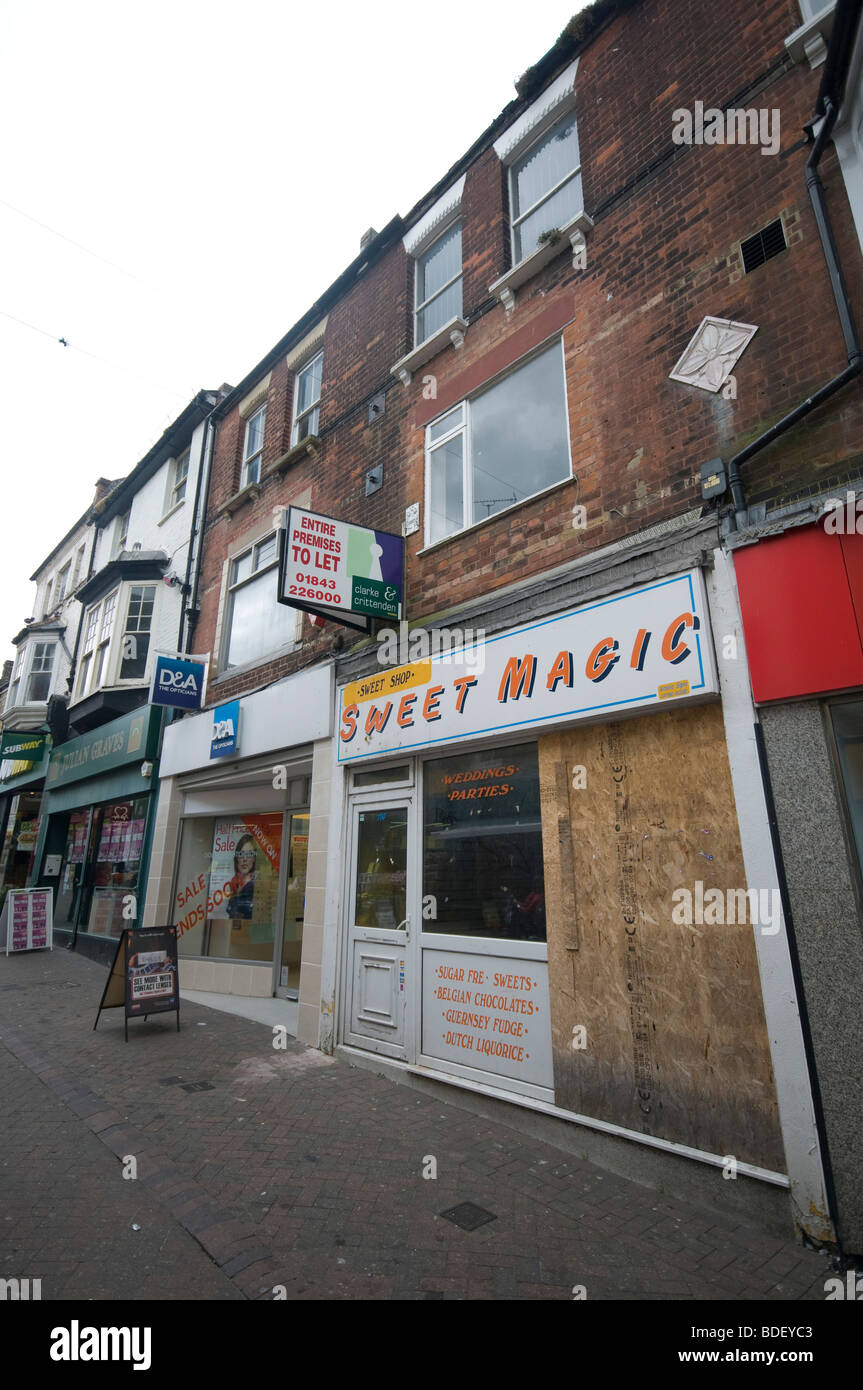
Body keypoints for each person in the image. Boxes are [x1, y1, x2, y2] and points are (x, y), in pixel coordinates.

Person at [226, 835, 257, 921]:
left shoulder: (252, 885)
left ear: (254, 859)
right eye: (241, 854)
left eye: (249, 854)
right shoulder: (235, 883)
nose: (244, 859)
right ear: (237, 859)